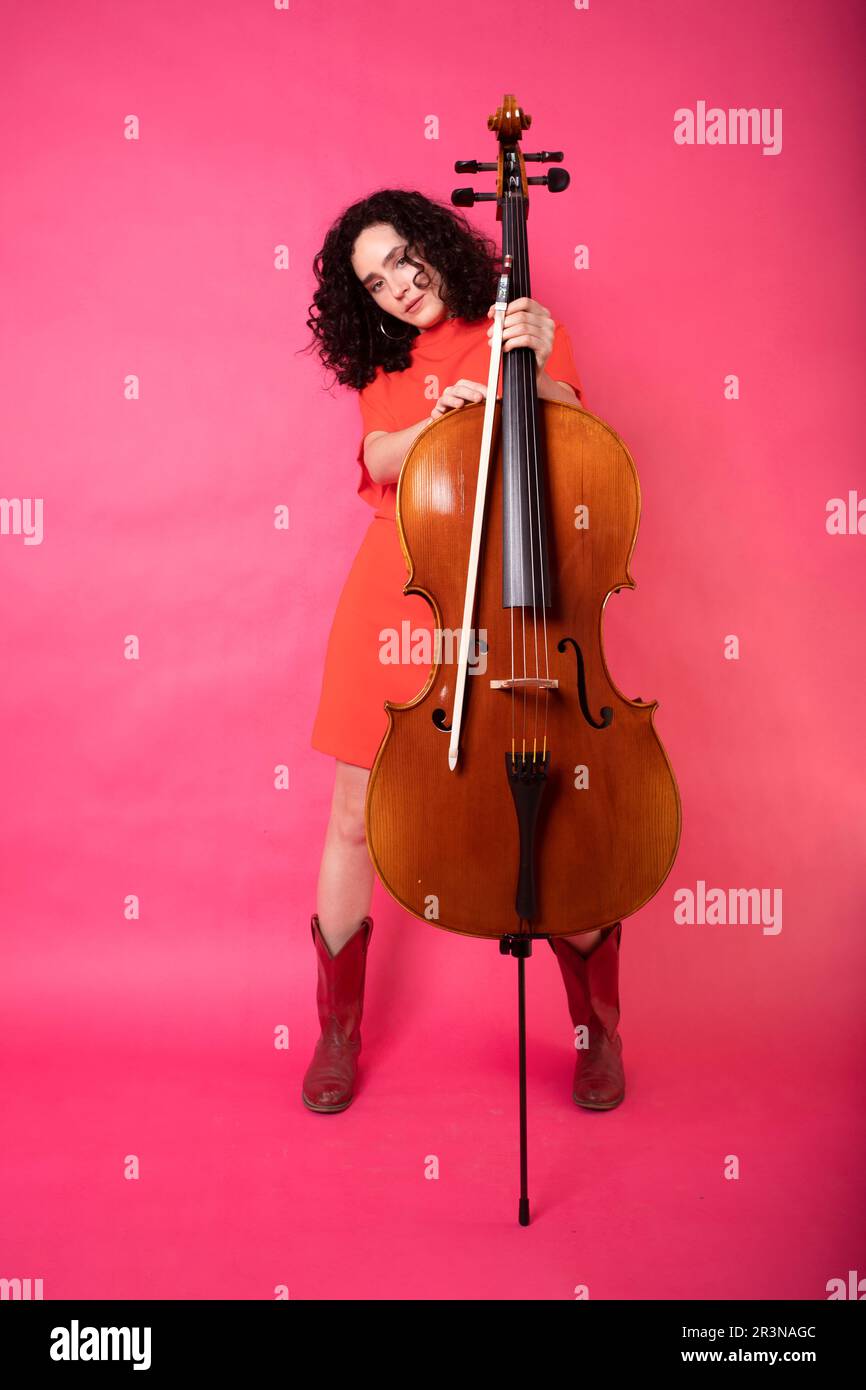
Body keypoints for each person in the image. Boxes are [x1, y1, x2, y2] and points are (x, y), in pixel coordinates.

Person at [301, 189, 624, 1116]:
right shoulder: (388, 359)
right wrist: (450, 406)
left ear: (439, 244)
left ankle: (597, 1027)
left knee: (552, 797)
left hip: (517, 607)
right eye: (375, 281)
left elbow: (575, 428)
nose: (400, 286)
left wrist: (532, 370)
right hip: (400, 595)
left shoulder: (523, 320)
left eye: (406, 259)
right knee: (357, 815)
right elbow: (385, 451)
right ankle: (335, 1029)